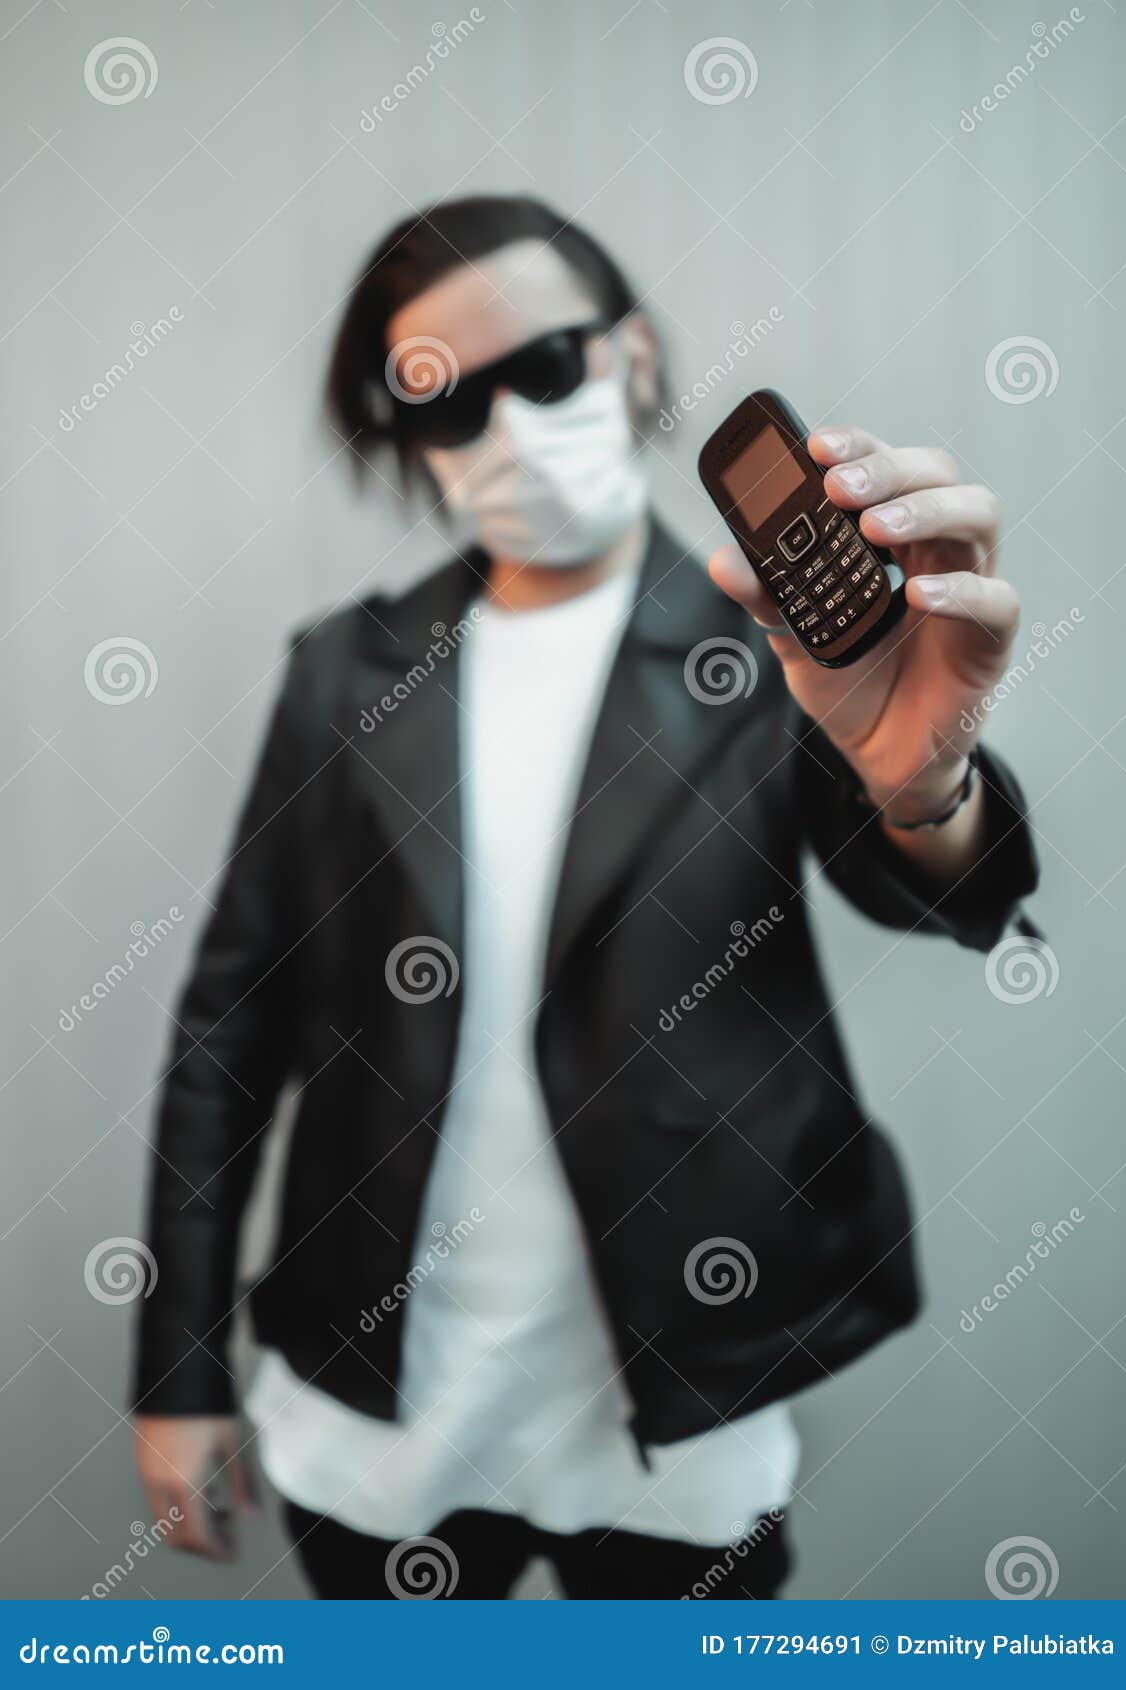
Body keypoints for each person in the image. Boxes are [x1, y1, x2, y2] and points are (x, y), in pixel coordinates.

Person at [132, 194, 1039, 1600]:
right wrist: (176, 1365)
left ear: (629, 355)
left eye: (542, 367)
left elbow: (941, 892)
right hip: (384, 1405)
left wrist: (924, 782)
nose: (506, 426)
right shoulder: (342, 675)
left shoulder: (782, 651)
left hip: (680, 1409)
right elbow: (227, 1029)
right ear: (405, 438)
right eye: (447, 402)